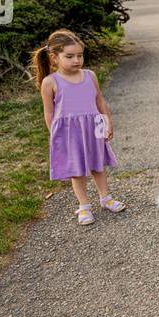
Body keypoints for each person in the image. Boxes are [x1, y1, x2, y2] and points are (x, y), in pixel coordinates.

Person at [32, 29, 126, 226]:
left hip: (93, 129)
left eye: (80, 55)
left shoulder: (90, 75)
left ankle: (105, 198)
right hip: (69, 134)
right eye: (69, 56)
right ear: (54, 57)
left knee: (97, 165)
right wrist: (55, 136)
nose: (76, 60)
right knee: (77, 170)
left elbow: (99, 100)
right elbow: (49, 112)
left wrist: (107, 120)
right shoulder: (50, 82)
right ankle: (84, 206)